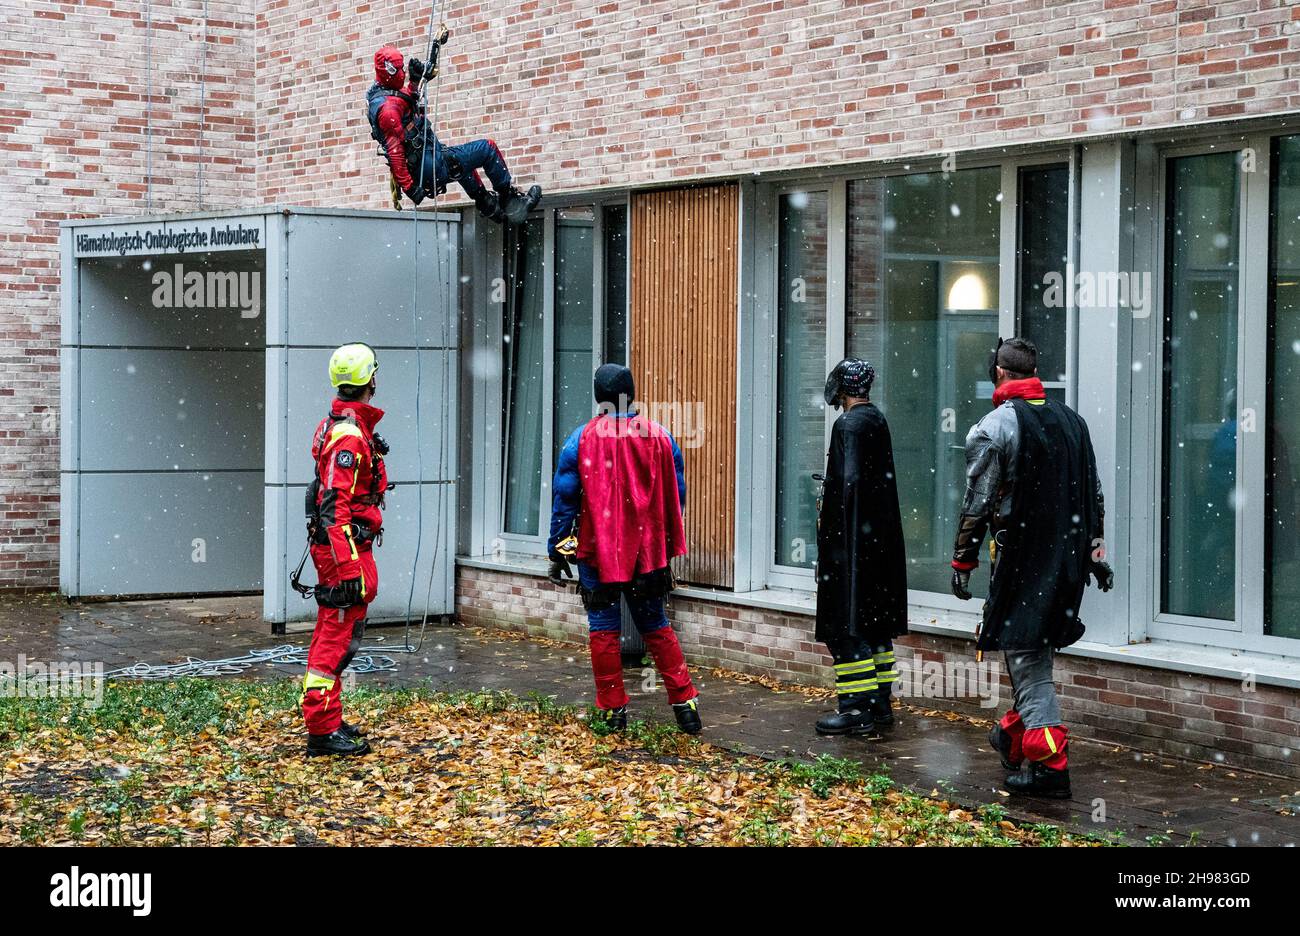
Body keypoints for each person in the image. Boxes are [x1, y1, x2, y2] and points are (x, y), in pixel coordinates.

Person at [950, 337, 1114, 797]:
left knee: (1026, 659)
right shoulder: (1073, 422)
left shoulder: (994, 426)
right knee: (1032, 657)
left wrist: (962, 559)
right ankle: (1010, 734)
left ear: (999, 373)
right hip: (1064, 565)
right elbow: (1092, 494)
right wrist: (1095, 552)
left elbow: (977, 503)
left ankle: (1049, 769)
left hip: (1023, 563)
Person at [547, 364, 701, 734]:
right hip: (647, 553)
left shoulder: (580, 439)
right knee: (656, 625)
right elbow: (675, 495)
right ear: (631, 395)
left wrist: (556, 549)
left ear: (598, 396)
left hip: (597, 551)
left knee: (603, 630)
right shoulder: (660, 436)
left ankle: (613, 711)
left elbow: (564, 499)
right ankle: (686, 704)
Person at [300, 343, 390, 757]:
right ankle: (320, 728)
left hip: (345, 546)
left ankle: (329, 718)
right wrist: (349, 567)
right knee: (335, 636)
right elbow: (334, 506)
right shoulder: (350, 436)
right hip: (344, 549)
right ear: (369, 380)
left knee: (341, 632)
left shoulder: (339, 425)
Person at [813, 359, 908, 736]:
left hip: (851, 547)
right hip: (878, 546)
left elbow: (849, 483)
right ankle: (881, 703)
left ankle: (855, 710)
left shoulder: (848, 425)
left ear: (844, 388)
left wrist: (840, 544)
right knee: (874, 625)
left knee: (846, 627)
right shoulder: (877, 420)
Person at [366, 36, 542, 223]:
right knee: (487, 149)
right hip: (428, 165)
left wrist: (415, 82)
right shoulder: (387, 110)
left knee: (459, 167)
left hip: (428, 159)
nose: (402, 72)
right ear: (389, 71)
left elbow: (407, 104)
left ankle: (490, 207)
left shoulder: (382, 94)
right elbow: (395, 152)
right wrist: (410, 189)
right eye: (399, 69)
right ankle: (511, 201)